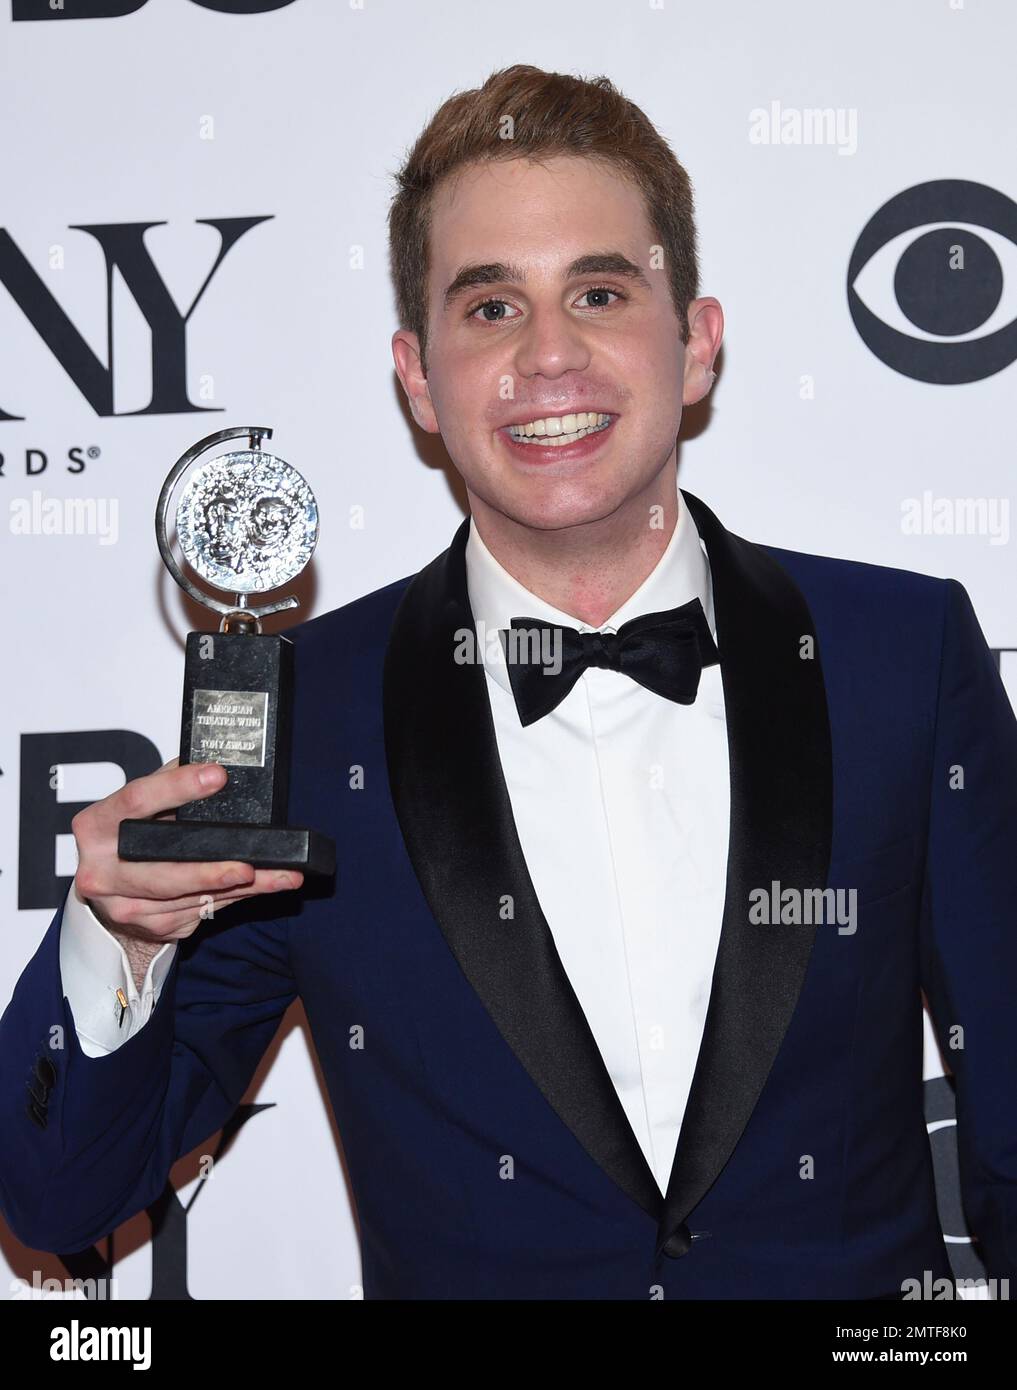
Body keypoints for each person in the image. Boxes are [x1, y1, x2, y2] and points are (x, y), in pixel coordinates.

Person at [2, 64, 1015, 1301]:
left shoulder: (900, 654)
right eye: (489, 307)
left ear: (695, 343)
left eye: (599, 290)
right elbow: (65, 1198)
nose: (548, 355)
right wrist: (116, 942)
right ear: (418, 379)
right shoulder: (305, 714)